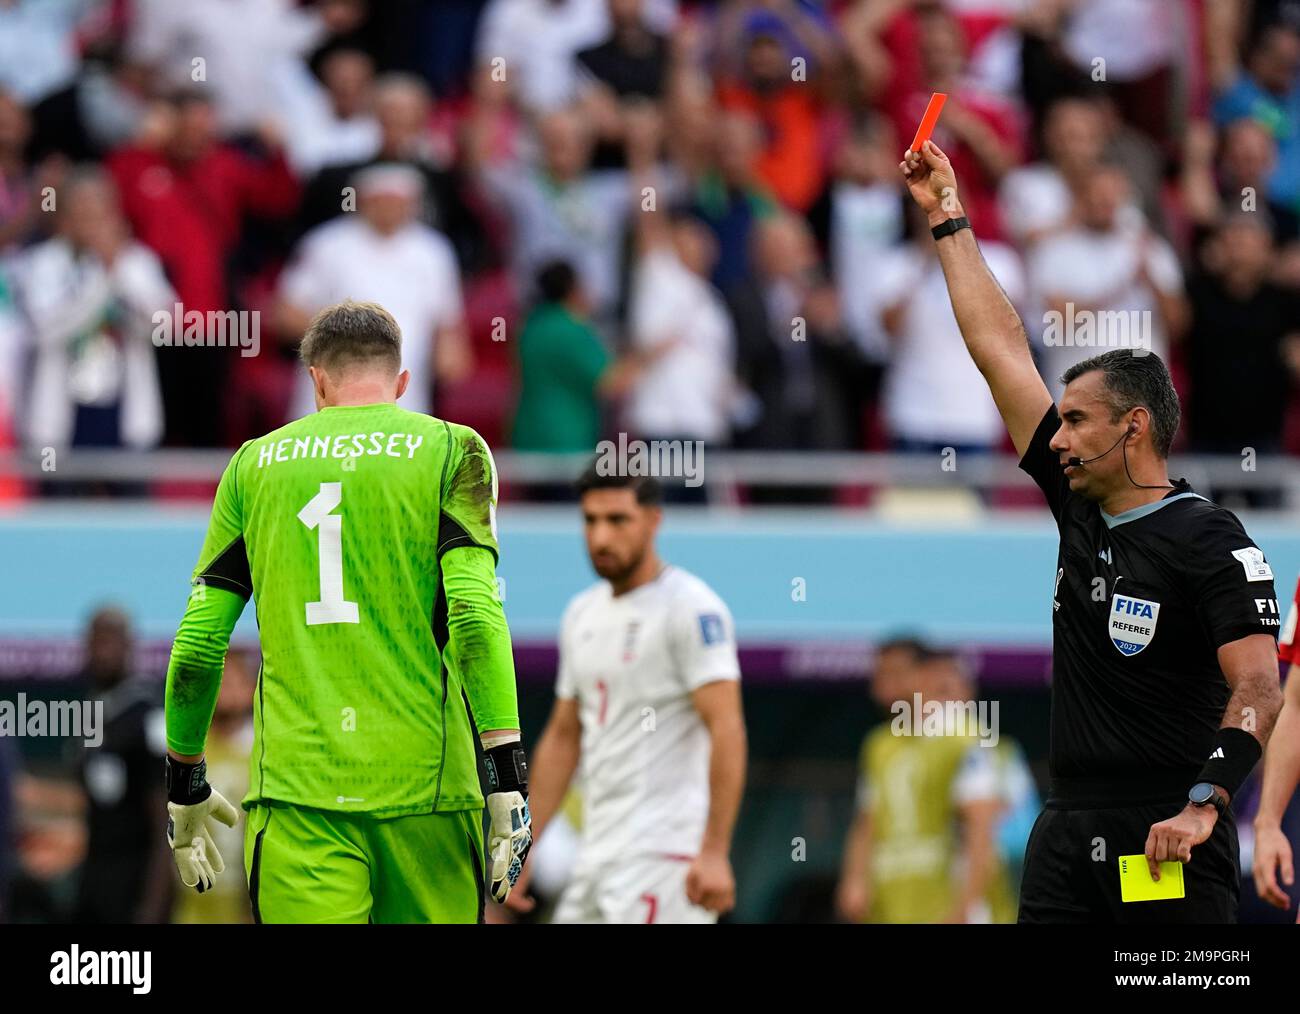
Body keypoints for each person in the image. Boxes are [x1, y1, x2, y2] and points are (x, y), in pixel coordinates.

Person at [900, 139, 1283, 923]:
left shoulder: (1210, 539)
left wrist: (1205, 804)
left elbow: (1258, 687)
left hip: (1165, 834)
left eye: (1076, 420)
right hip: (1066, 834)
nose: (1059, 438)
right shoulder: (1077, 505)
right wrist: (949, 216)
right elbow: (1000, 348)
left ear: (1134, 427)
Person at [162, 299, 528, 923]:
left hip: (300, 799)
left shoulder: (251, 466)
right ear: (402, 383)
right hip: (431, 793)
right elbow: (473, 616)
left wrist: (184, 777)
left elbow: (199, 646)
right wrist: (506, 774)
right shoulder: (453, 449)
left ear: (317, 383)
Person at [507, 469, 746, 923]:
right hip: (595, 855)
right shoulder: (581, 613)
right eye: (590, 520)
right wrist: (524, 849)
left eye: (618, 520)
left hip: (666, 856)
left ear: (653, 520)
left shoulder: (691, 608)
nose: (601, 536)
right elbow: (562, 738)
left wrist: (714, 851)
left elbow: (727, 727)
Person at [836, 644, 1012, 924]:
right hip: (892, 901)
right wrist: (855, 879)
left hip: (945, 904)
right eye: (880, 674)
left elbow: (981, 826)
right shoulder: (880, 744)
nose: (882, 684)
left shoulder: (965, 736)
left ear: (923, 675)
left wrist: (965, 907)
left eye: (895, 672)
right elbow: (867, 822)